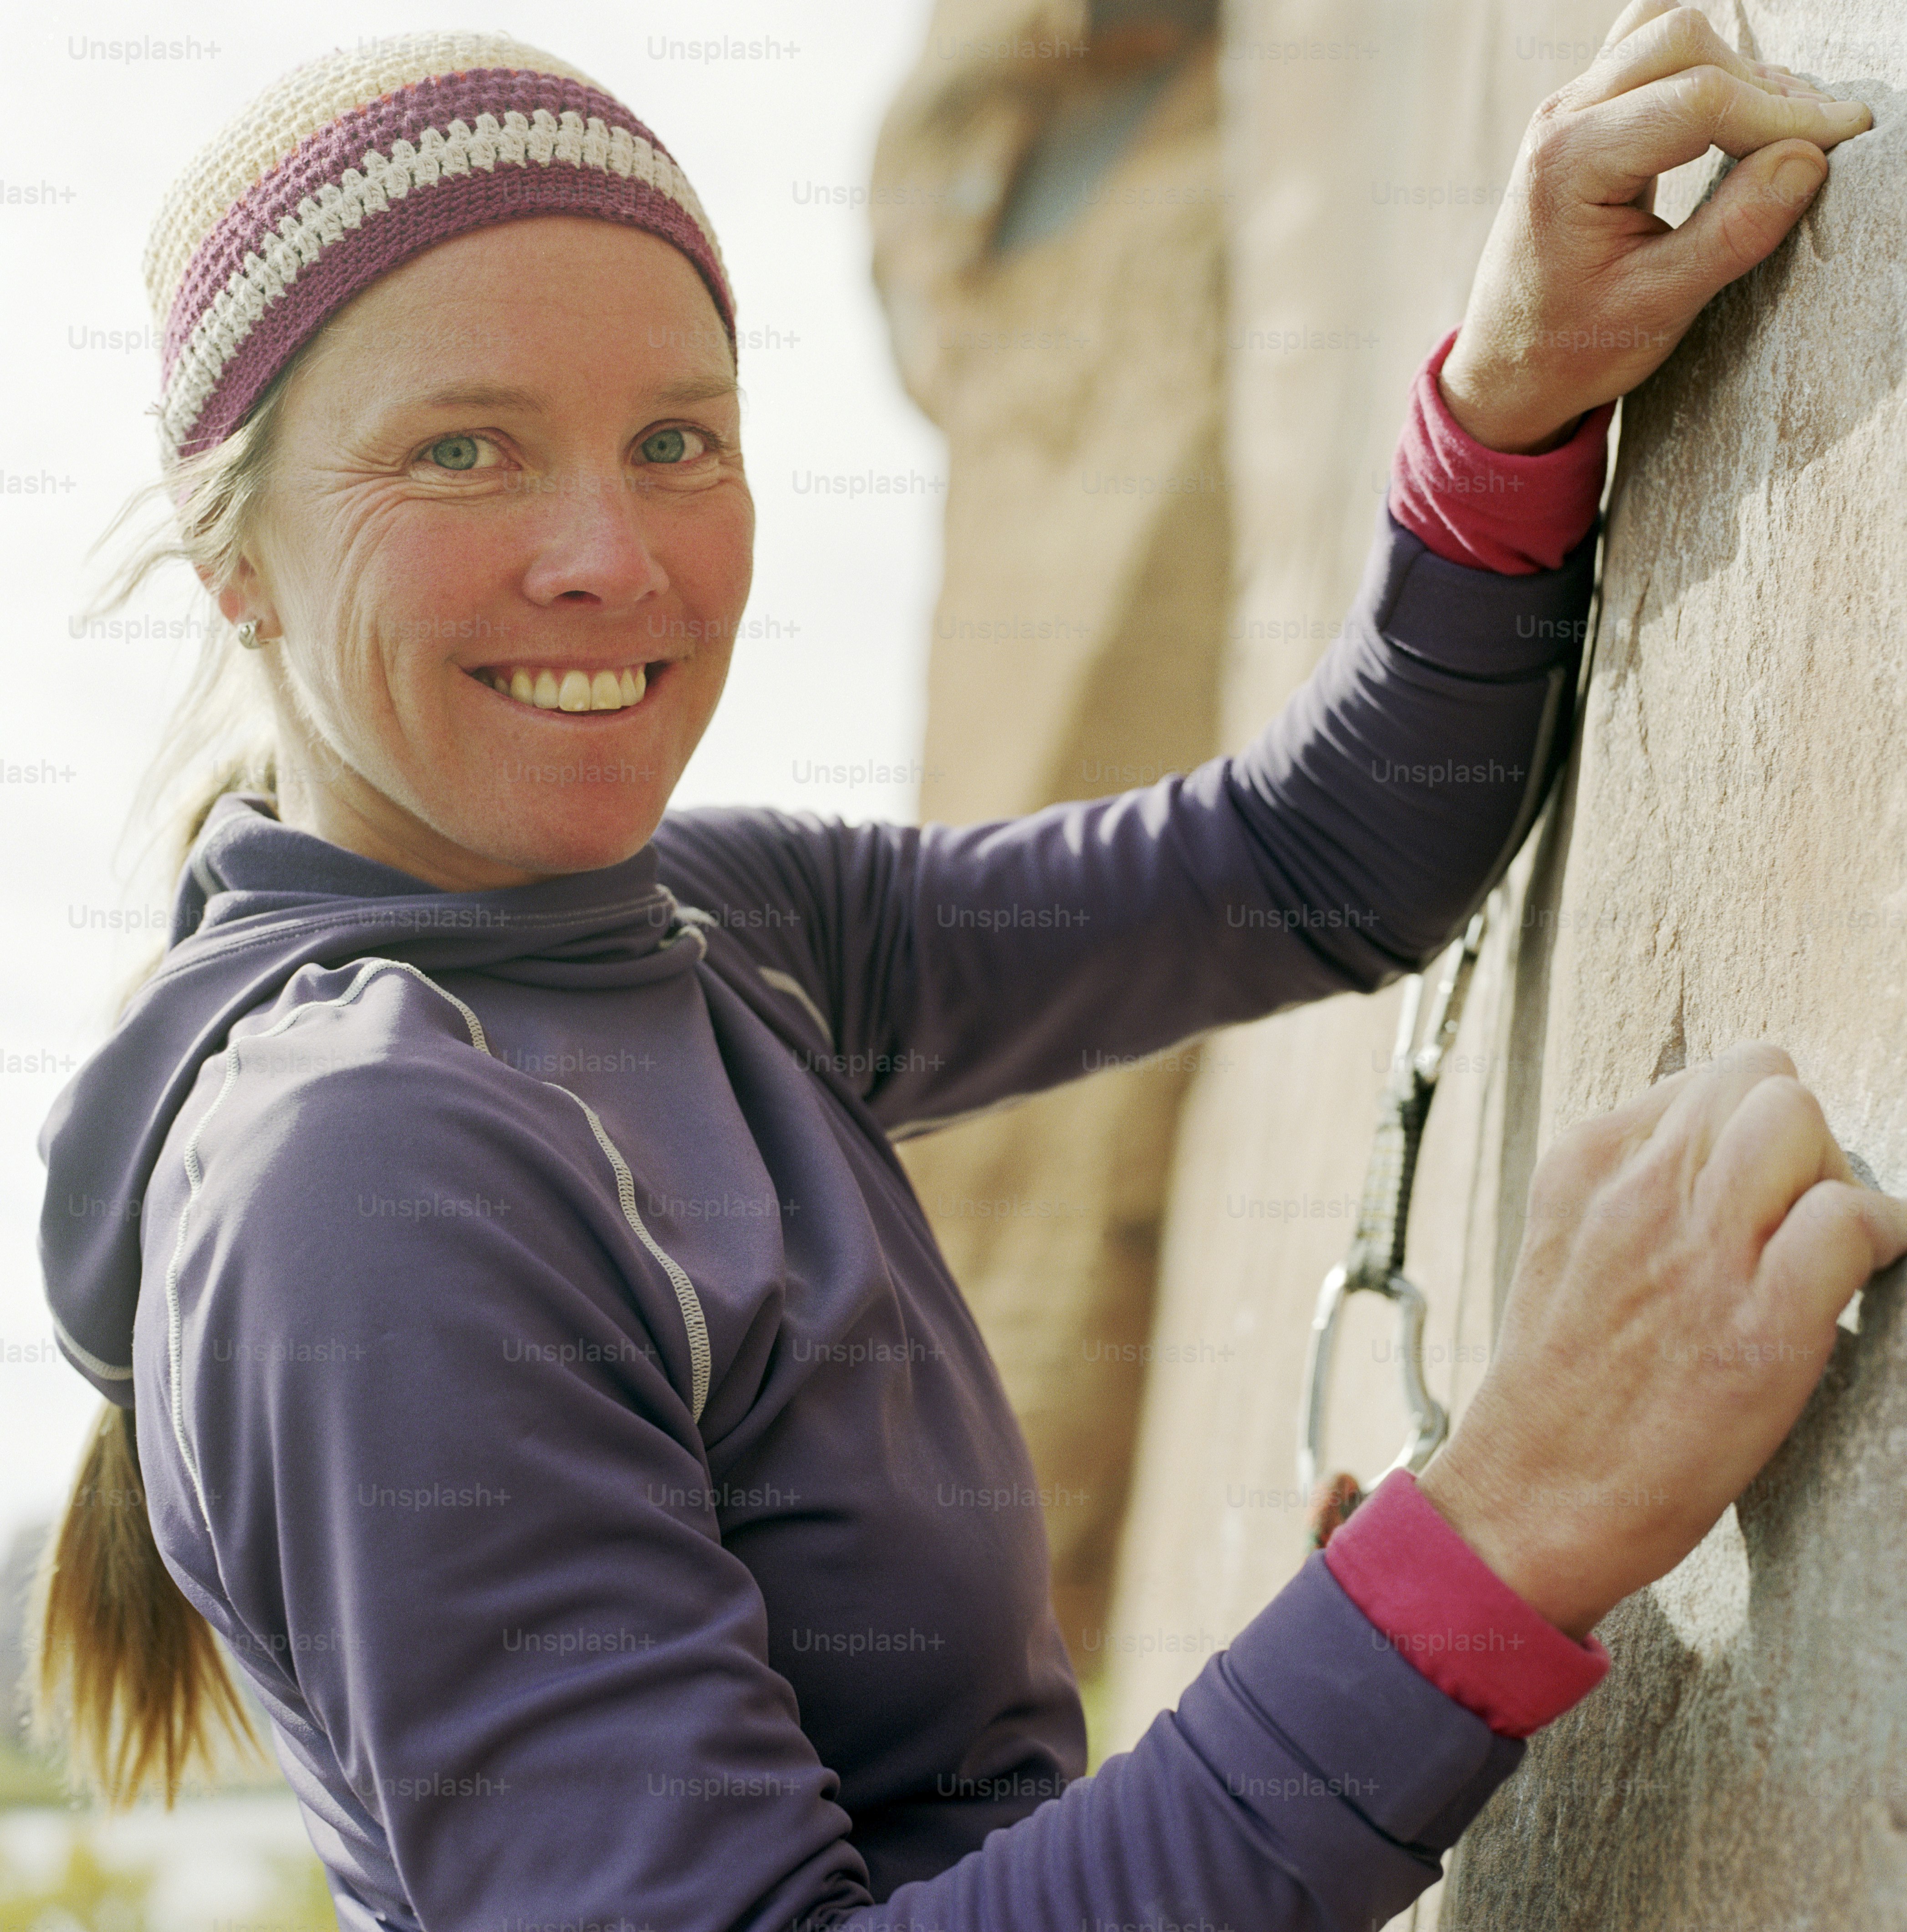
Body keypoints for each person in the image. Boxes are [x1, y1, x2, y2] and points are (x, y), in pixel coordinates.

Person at [31, 12, 1898, 1931]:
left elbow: (1301, 866)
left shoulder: (705, 930)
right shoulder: (363, 1175)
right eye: (463, 451)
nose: (609, 553)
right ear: (230, 555)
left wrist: (1509, 400)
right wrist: (1508, 1522)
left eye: (678, 439)